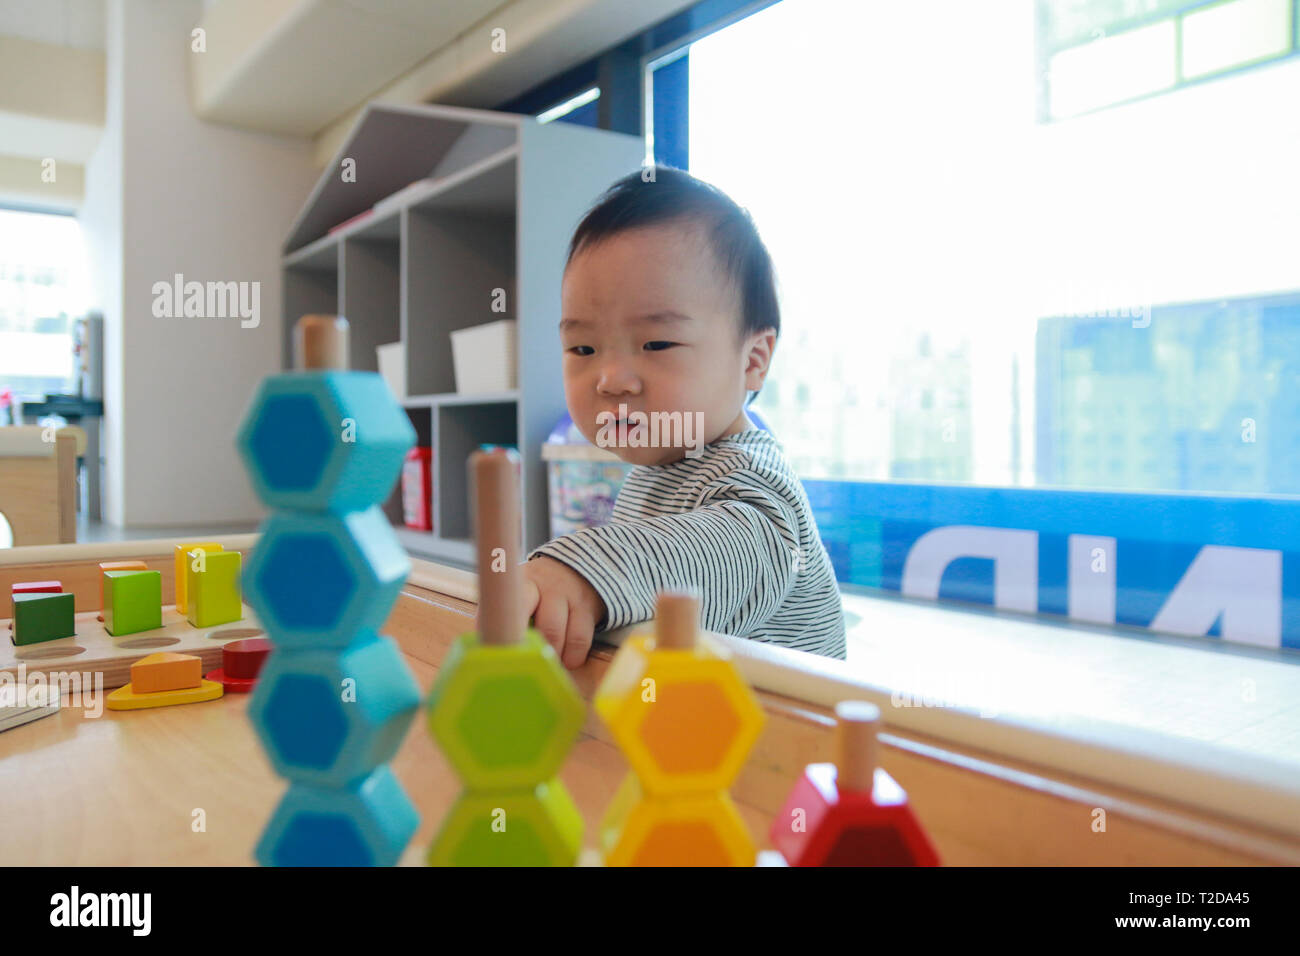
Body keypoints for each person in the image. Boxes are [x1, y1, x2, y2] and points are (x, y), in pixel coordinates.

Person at [516, 166, 846, 668]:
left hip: (788, 733)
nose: (611, 379)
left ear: (753, 360)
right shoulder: (662, 466)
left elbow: (719, 556)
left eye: (657, 343)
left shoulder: (755, 482)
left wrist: (585, 574)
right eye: (582, 347)